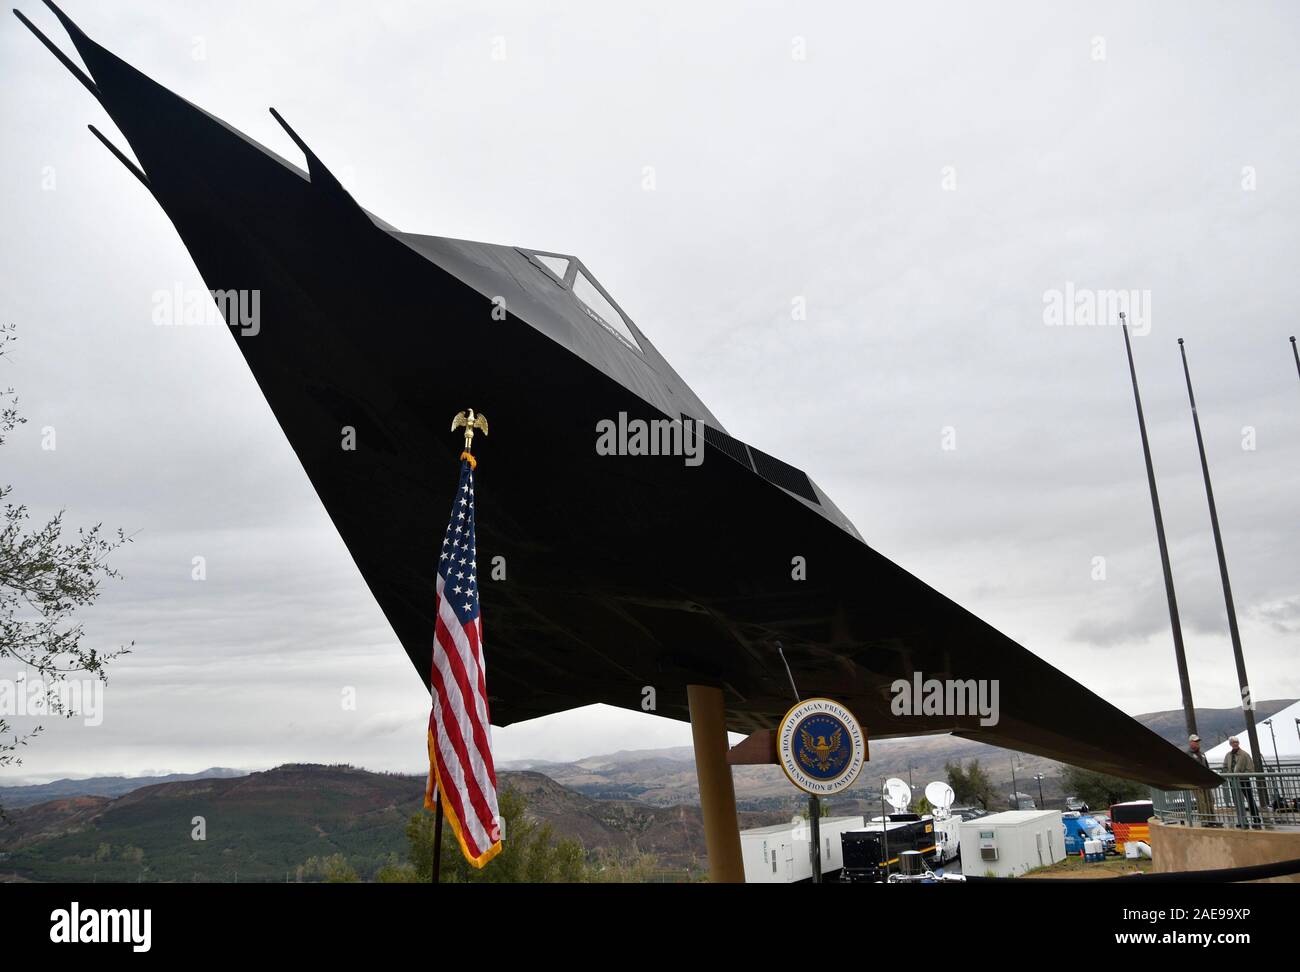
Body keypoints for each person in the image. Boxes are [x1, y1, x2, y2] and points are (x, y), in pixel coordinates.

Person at [1221, 736, 1261, 827]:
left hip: (1244, 780)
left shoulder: (1244, 754)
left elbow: (1250, 769)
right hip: (1233, 781)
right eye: (1233, 742)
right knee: (1237, 801)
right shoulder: (1228, 755)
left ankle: (1256, 820)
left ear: (1238, 743)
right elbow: (1225, 766)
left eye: (1236, 742)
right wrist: (1229, 774)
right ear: (1230, 744)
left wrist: (1241, 775)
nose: (1235, 744)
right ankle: (1242, 821)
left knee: (1250, 800)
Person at [1187, 734, 1216, 824]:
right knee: (1201, 801)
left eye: (1198, 742)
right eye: (1195, 742)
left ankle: (1212, 819)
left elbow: (1207, 766)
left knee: (1210, 799)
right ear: (1191, 743)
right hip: (1196, 782)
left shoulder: (1202, 754)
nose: (1197, 743)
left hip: (1205, 782)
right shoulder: (1188, 754)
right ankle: (1204, 820)